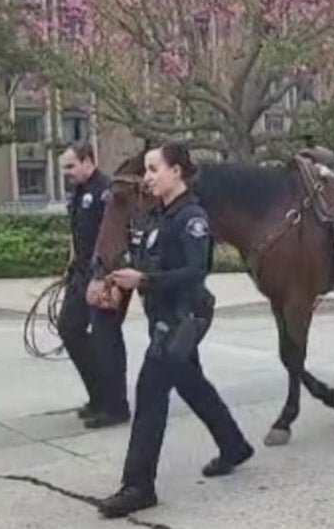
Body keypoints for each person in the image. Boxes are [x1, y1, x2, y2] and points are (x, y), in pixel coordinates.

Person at [97, 143, 254, 518]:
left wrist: (145, 280)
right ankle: (234, 445)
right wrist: (122, 278)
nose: (147, 177)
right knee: (191, 382)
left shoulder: (191, 217)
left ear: (177, 172)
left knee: (150, 392)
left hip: (182, 317)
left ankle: (138, 486)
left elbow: (196, 272)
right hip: (164, 315)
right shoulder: (161, 215)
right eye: (147, 170)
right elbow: (152, 259)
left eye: (154, 169)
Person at [58, 142, 130, 429]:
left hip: (105, 273)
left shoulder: (107, 191)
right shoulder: (78, 192)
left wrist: (108, 280)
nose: (67, 173)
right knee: (69, 328)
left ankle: (116, 405)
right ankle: (99, 395)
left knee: (106, 339)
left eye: (71, 166)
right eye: (64, 167)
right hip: (81, 273)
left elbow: (117, 237)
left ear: (88, 161)